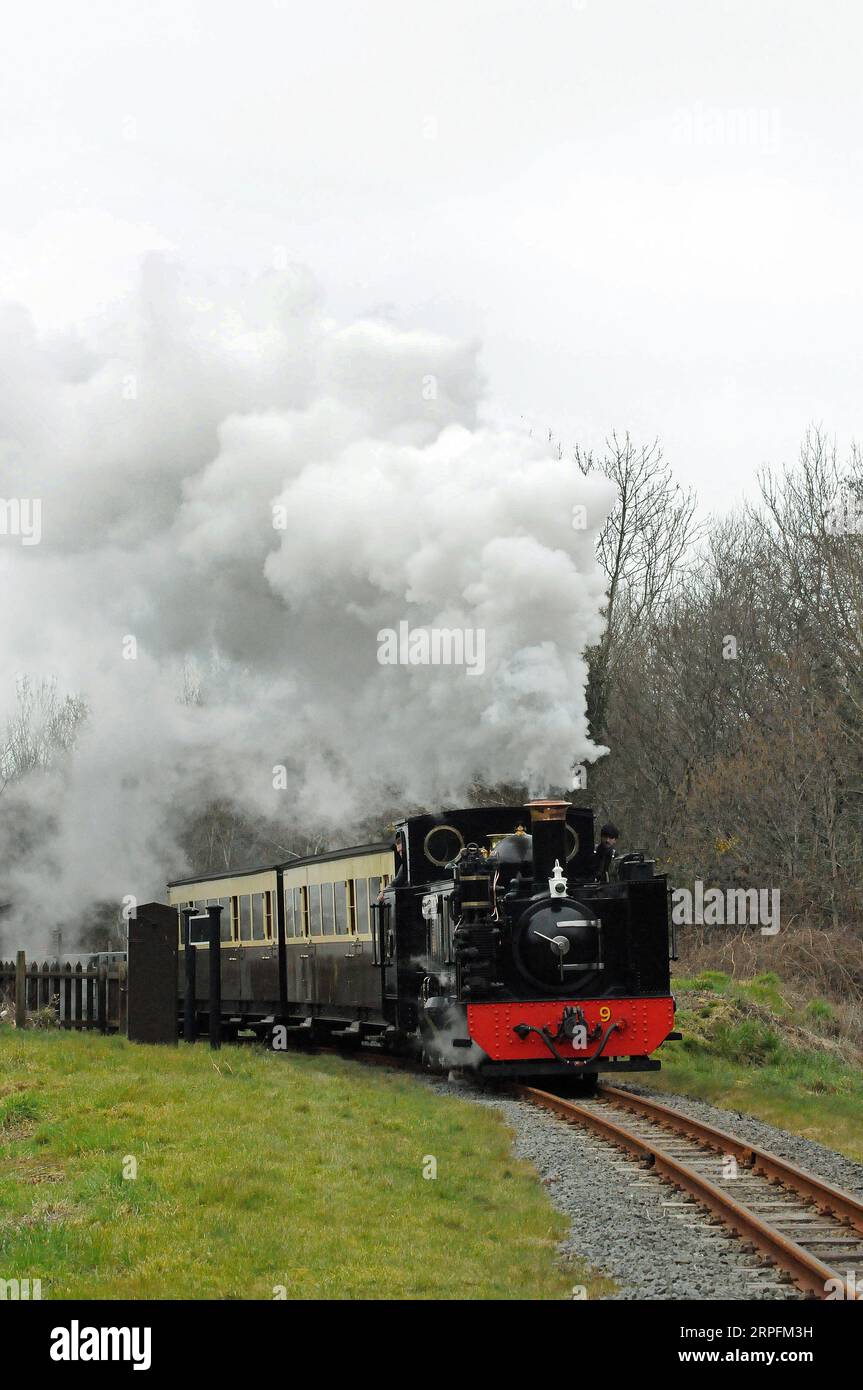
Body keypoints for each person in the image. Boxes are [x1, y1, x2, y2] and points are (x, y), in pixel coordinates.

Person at [378, 830, 407, 901]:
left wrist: (384, 891)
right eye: (399, 851)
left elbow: (396, 882)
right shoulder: (404, 866)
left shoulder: (405, 865)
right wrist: (384, 891)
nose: (400, 854)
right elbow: (396, 881)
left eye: (401, 850)